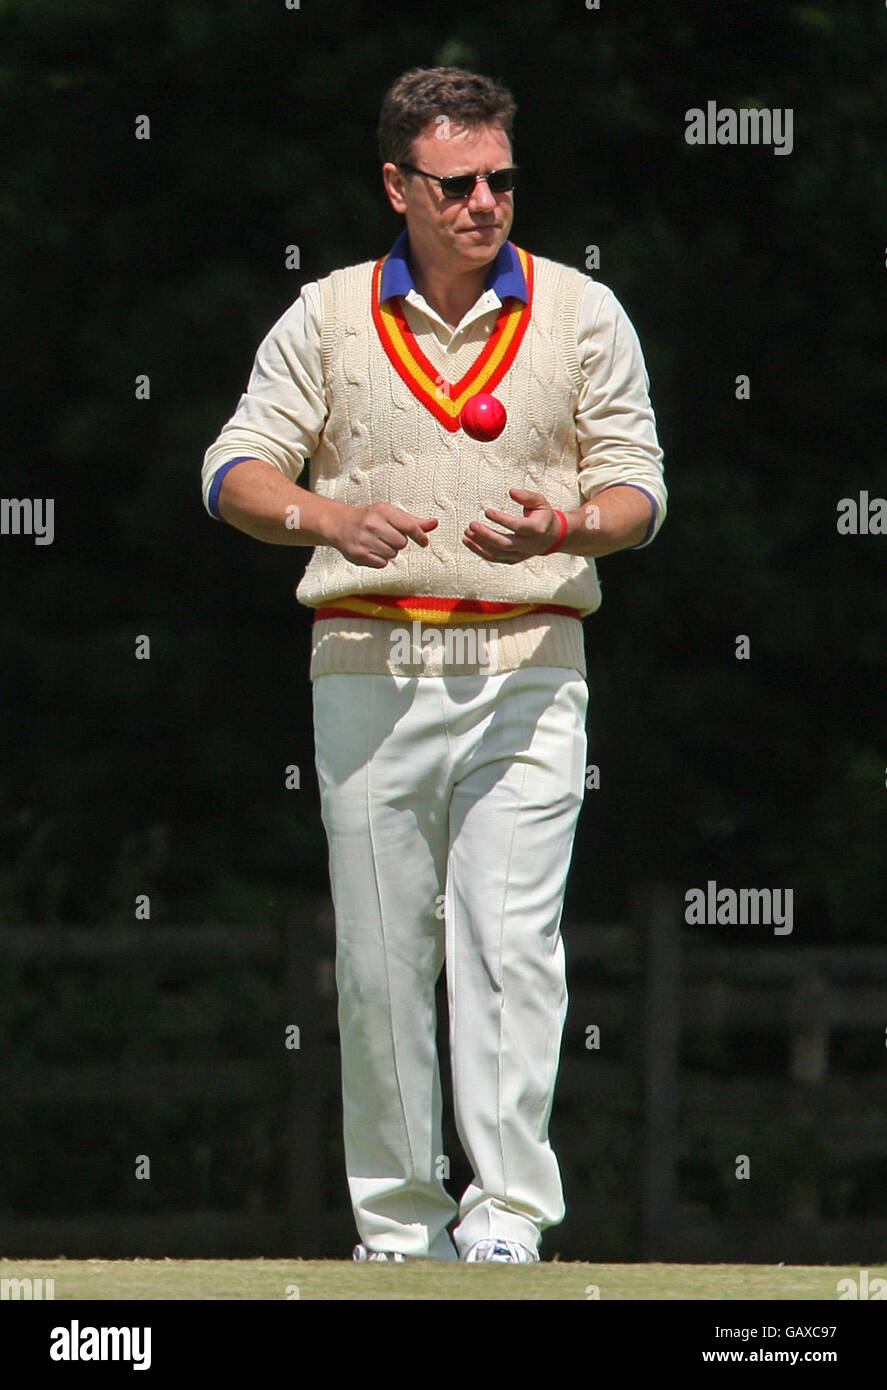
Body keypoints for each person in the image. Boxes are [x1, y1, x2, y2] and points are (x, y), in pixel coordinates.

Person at [201, 66, 666, 1264]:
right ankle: (399, 1232)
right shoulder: (326, 314)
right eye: (454, 184)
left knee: (511, 949)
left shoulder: (579, 311)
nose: (482, 204)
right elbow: (232, 470)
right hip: (367, 659)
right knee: (378, 959)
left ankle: (506, 1223)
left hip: (529, 660)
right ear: (397, 185)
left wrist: (567, 526)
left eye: (500, 179)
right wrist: (323, 517)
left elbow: (638, 488)